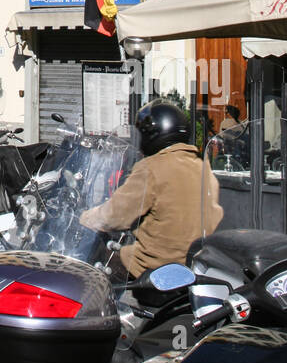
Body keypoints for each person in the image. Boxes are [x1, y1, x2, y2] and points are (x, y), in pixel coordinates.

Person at [79, 101, 224, 278]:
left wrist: (85, 218)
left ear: (151, 135)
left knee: (92, 263)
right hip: (193, 265)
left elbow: (114, 215)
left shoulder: (151, 167)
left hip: (153, 267)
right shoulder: (203, 169)